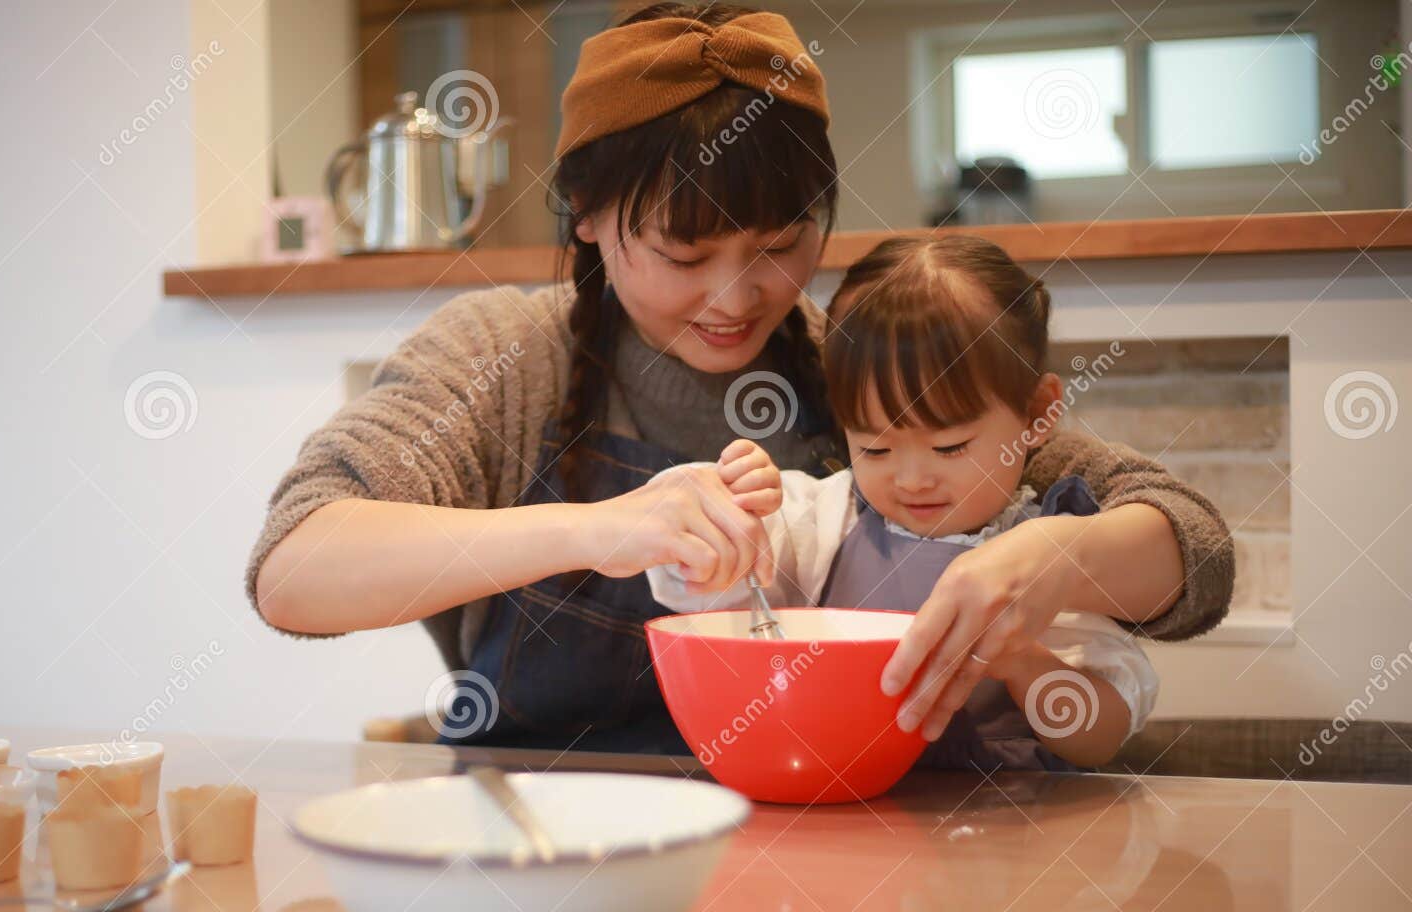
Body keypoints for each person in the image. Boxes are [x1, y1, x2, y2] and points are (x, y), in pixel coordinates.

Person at [248, 5, 1233, 754]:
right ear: (585, 212)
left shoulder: (862, 361)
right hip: (545, 854)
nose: (736, 296)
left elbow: (1192, 550)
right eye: (684, 253)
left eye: (780, 242)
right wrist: (604, 528)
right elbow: (295, 568)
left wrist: (1055, 561)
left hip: (816, 868)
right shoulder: (503, 358)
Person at [647, 234, 1161, 769]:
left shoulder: (1052, 554)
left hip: (1012, 826)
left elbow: (1101, 737)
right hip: (851, 815)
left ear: (1036, 413)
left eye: (948, 446)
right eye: (876, 446)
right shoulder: (821, 520)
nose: (912, 479)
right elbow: (698, 577)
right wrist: (728, 505)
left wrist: (1022, 661)